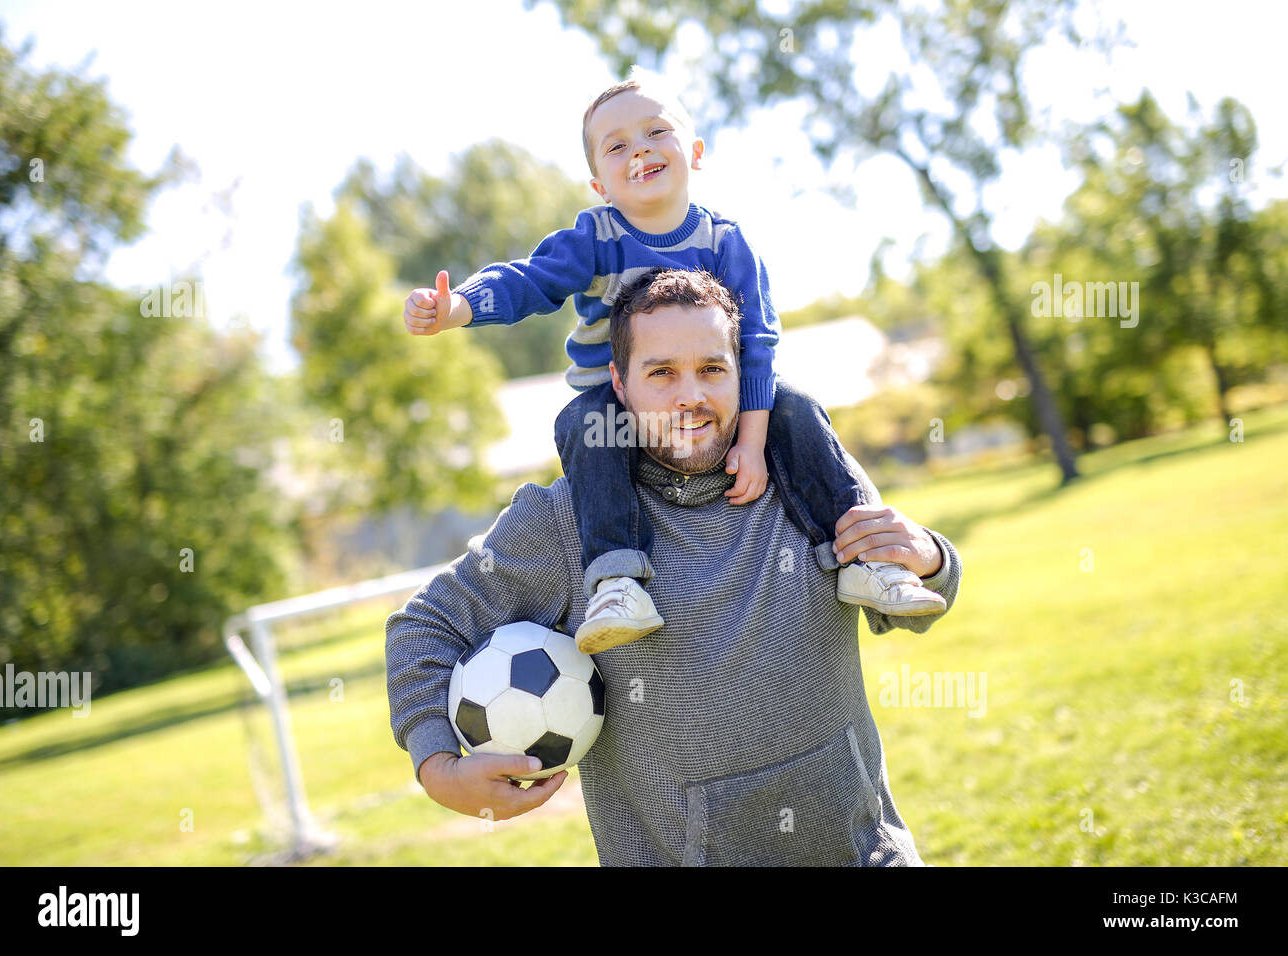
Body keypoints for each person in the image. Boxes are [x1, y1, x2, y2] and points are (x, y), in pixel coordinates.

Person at [386, 268, 963, 866]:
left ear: (744, 373)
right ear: (618, 384)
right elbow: (423, 627)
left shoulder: (804, 471)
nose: (691, 395)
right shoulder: (565, 519)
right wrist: (437, 768)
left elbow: (912, 607)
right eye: (661, 373)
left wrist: (930, 557)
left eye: (712, 369)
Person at [401, 70, 944, 656]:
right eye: (616, 146)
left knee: (799, 406)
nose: (639, 149)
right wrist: (459, 307)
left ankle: (867, 558)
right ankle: (617, 581)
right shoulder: (595, 238)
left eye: (655, 131)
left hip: (721, 399)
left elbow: (757, 344)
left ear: (696, 152)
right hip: (617, 402)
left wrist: (754, 442)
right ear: (598, 182)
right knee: (585, 424)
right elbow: (529, 281)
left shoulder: (725, 243)